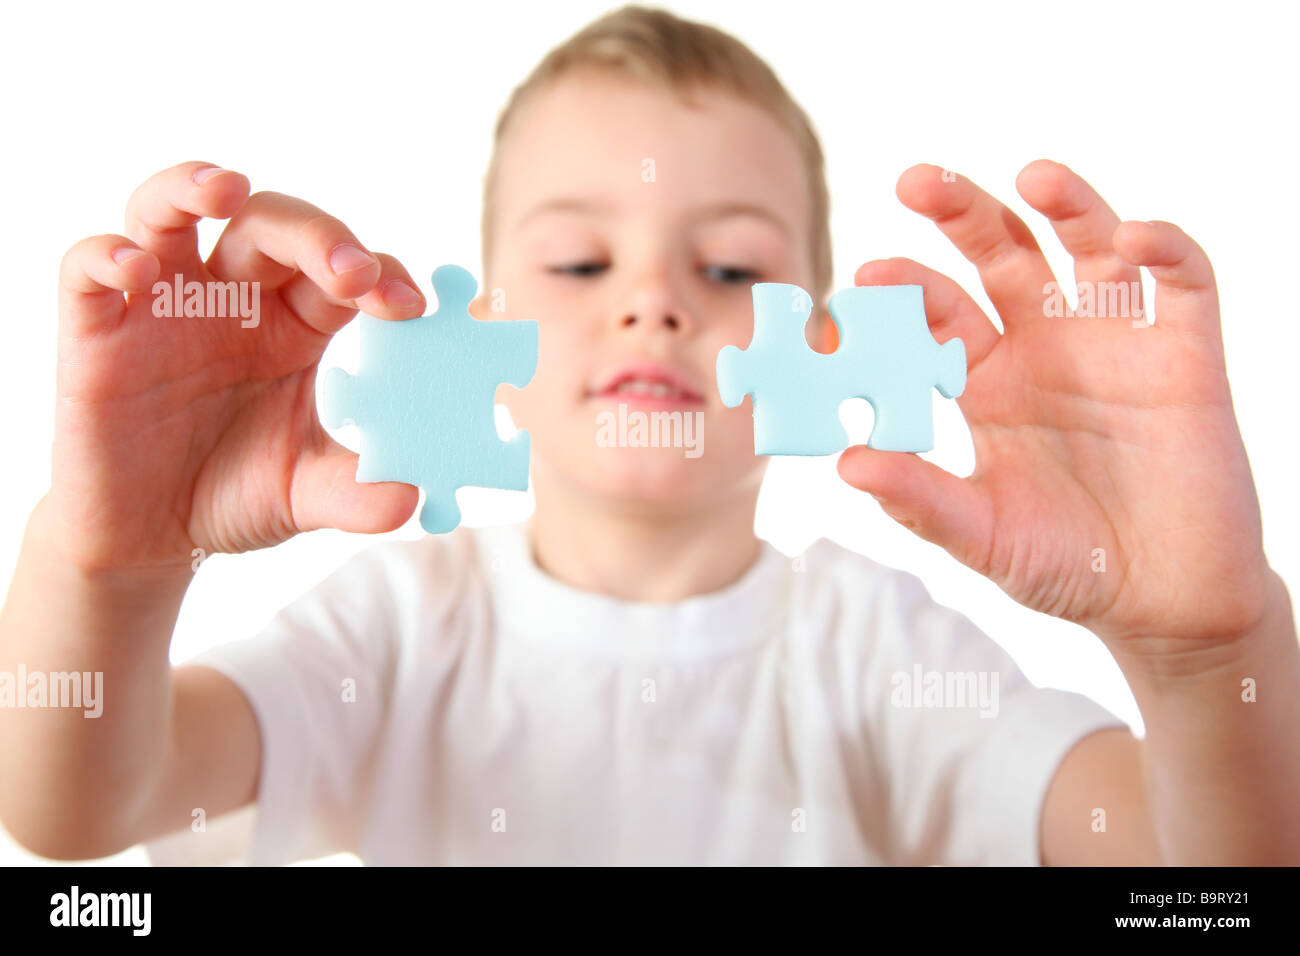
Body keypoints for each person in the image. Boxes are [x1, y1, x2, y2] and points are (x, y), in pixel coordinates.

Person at [1, 5, 1295, 865]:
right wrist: (108, 567)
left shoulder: (878, 652)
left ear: (821, 344)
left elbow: (1199, 876)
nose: (652, 299)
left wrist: (1205, 655)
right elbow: (76, 809)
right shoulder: (398, 626)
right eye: (576, 259)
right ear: (483, 330)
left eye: (732, 270)